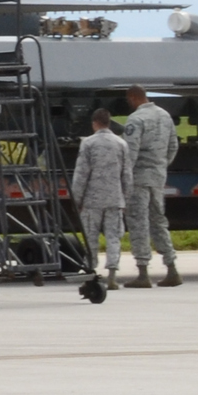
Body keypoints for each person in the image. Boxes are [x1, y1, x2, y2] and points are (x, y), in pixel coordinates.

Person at [121, 87, 181, 288]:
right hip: (157, 177)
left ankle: (143, 271)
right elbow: (173, 146)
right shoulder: (165, 116)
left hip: (139, 178)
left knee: (138, 222)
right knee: (158, 221)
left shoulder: (136, 119)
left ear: (133, 97)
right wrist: (160, 166)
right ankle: (171, 267)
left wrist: (125, 178)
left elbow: (130, 153)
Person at [71, 108, 132, 288]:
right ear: (109, 122)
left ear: (94, 123)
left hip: (92, 201)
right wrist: (125, 200)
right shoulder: (121, 144)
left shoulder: (88, 144)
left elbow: (81, 174)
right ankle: (112, 274)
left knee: (91, 239)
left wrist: (77, 200)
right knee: (113, 237)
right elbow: (127, 175)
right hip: (114, 199)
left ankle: (90, 273)